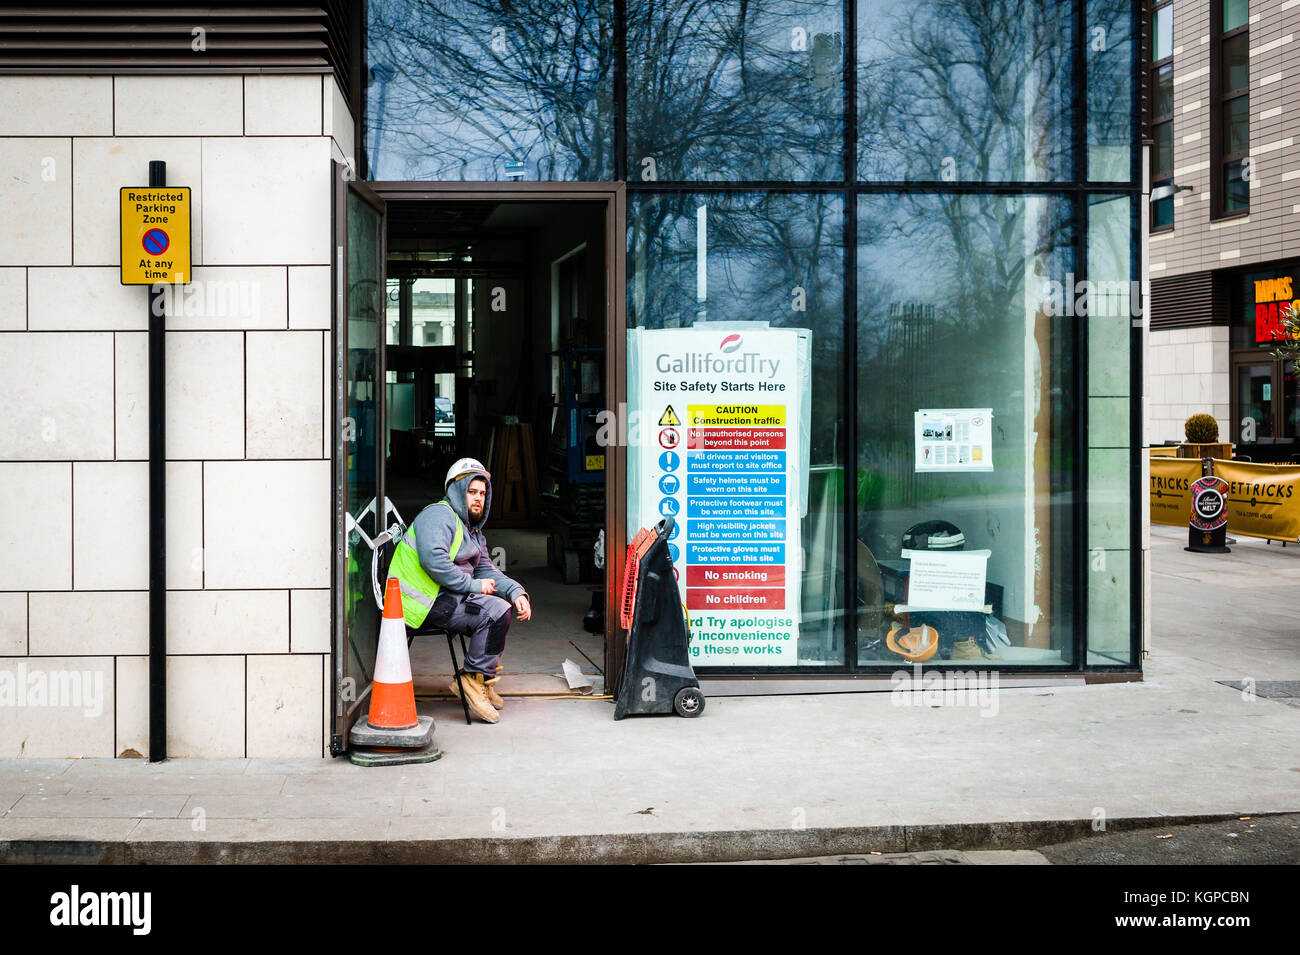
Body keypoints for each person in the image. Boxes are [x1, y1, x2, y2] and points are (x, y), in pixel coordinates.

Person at [387, 457, 531, 724]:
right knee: (494, 613)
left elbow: (487, 570)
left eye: (483, 493)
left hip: (444, 598)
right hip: (420, 604)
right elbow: (434, 561)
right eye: (472, 492)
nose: (478, 499)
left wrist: (515, 591)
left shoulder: (473, 532)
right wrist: (473, 586)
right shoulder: (438, 515)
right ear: (456, 491)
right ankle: (471, 682)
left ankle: (480, 679)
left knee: (504, 607)